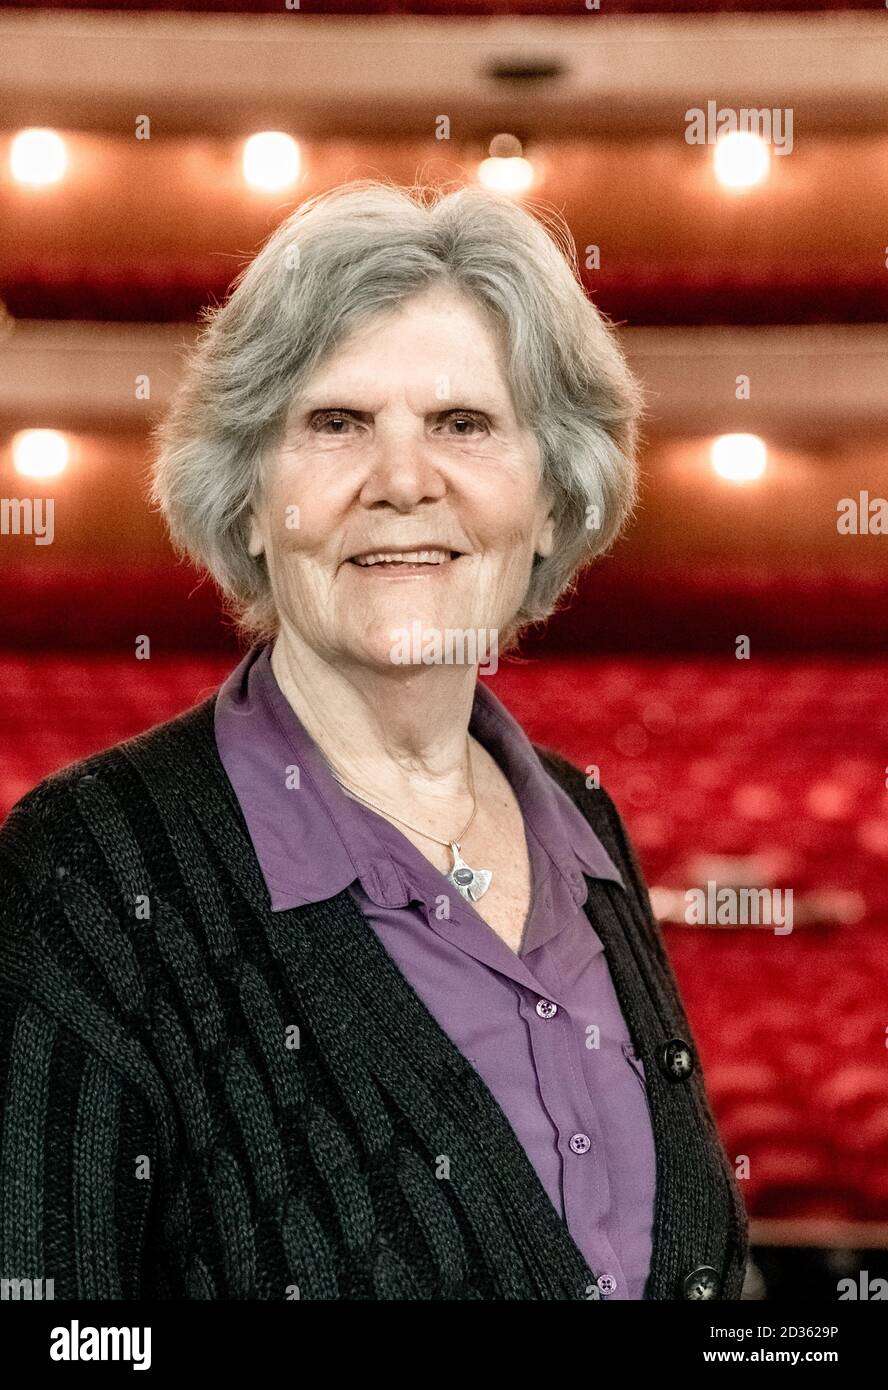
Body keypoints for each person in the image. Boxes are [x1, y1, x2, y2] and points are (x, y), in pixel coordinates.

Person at [0, 180, 748, 1300]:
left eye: (464, 424)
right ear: (250, 499)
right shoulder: (90, 871)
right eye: (336, 423)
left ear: (550, 500)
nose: (402, 482)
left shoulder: (582, 824)